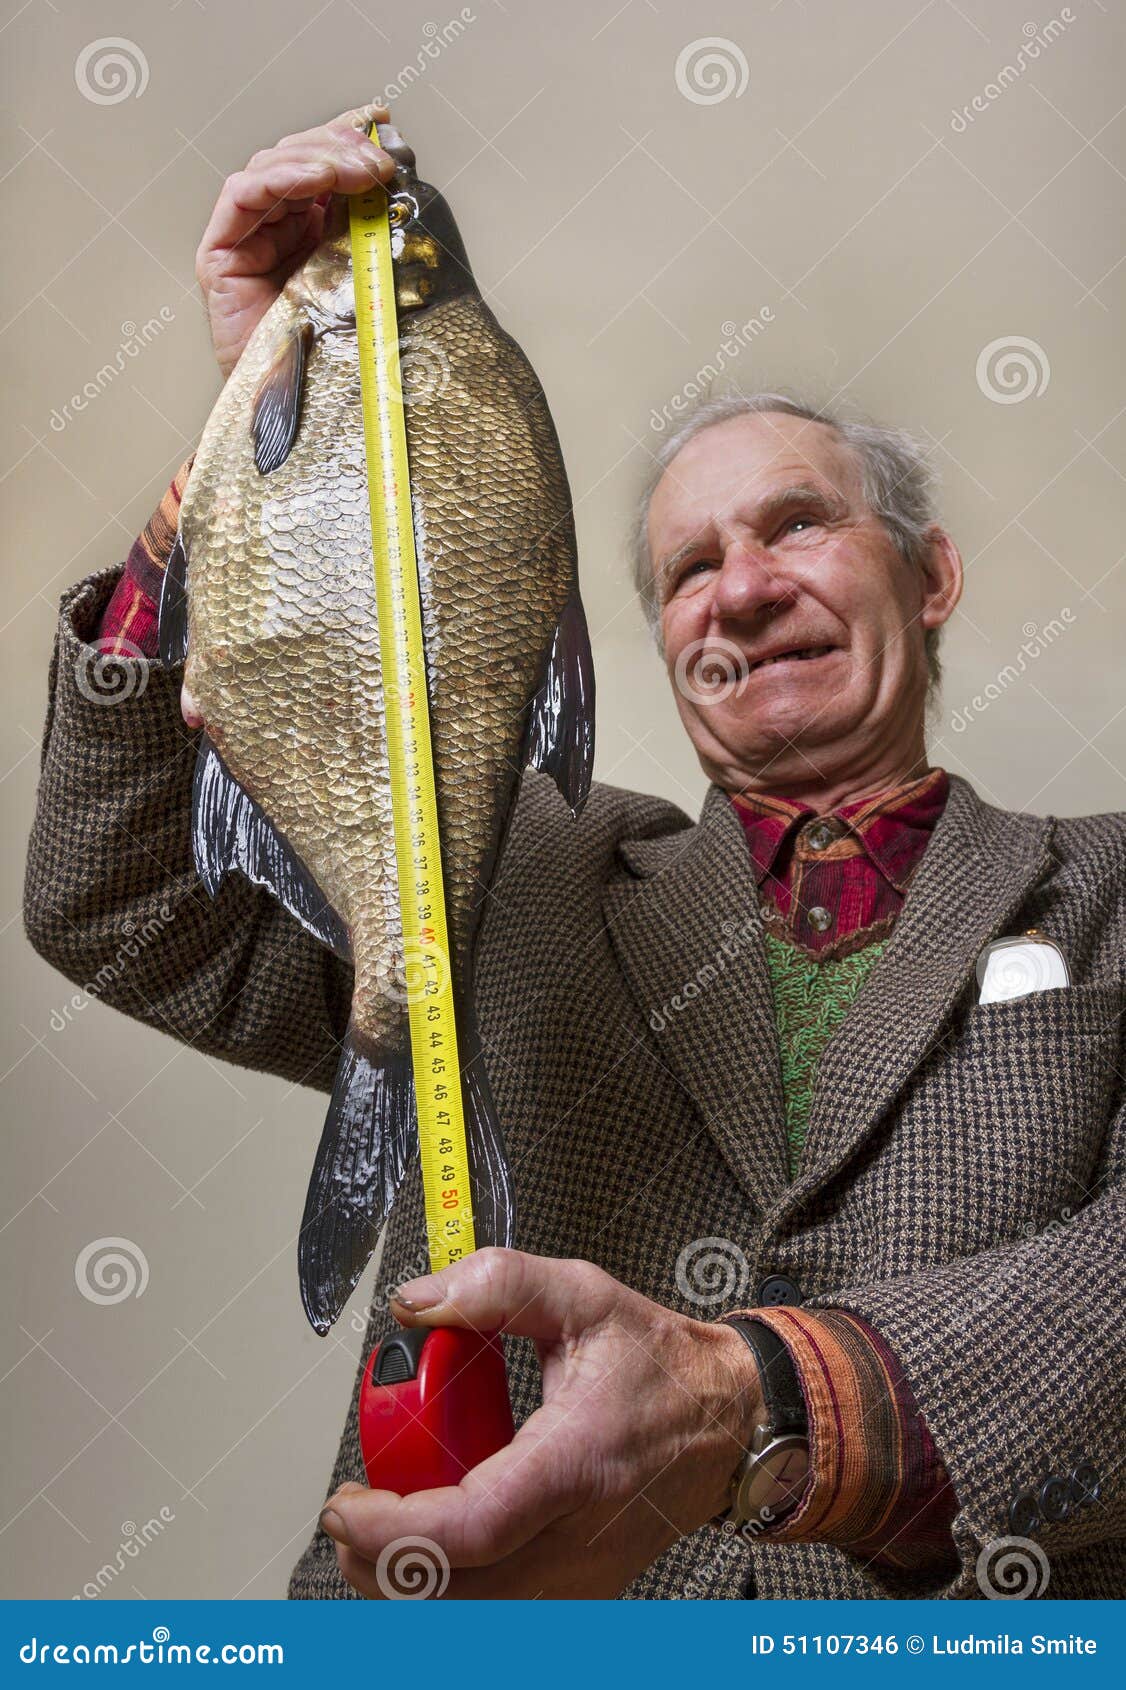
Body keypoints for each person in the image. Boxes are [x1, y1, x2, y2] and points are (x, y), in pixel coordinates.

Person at [24, 103, 1125, 1602]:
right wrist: (266, 439)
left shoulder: (1105, 888)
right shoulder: (492, 865)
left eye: (794, 527)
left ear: (927, 573)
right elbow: (123, 901)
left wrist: (759, 1396)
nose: (736, 592)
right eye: (686, 569)